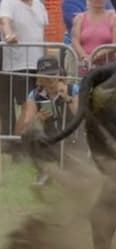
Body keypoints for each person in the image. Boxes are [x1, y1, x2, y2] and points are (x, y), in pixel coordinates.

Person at [16, 56, 80, 184]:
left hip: (73, 140)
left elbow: (80, 116)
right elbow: (26, 124)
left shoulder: (73, 89)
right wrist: (38, 118)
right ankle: (44, 171)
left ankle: (69, 170)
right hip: (49, 140)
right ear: (39, 77)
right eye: (46, 76)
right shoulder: (34, 95)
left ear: (59, 74)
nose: (50, 80)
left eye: (53, 75)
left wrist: (67, 99)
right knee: (29, 135)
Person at [0, 0, 47, 137]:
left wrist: (47, 62)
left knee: (39, 107)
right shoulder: (8, 2)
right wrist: (9, 34)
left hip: (38, 66)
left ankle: (24, 142)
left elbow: (43, 35)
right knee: (28, 108)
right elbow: (5, 21)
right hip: (18, 65)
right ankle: (15, 144)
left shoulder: (39, 4)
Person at [71, 0, 116, 75]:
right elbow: (75, 41)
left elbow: (115, 44)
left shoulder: (113, 17)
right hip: (85, 69)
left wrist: (94, 56)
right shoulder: (79, 18)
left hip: (108, 69)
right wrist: (84, 57)